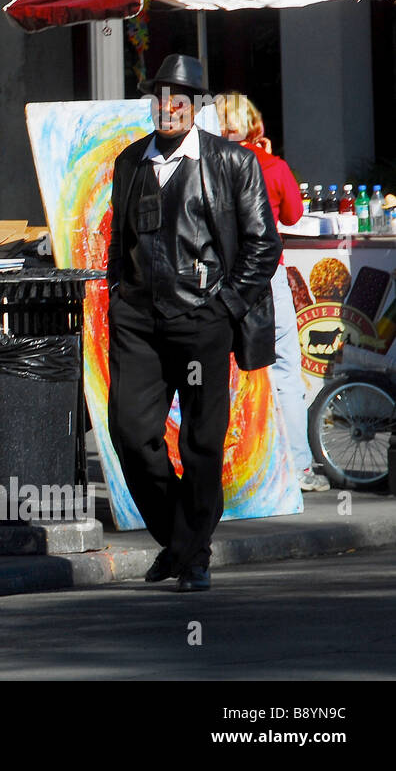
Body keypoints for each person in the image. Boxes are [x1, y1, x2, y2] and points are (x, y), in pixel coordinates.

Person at [106, 53, 282, 591]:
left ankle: (193, 552)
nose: (168, 107)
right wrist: (118, 297)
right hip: (138, 321)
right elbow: (122, 244)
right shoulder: (130, 161)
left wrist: (224, 309)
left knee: (201, 445)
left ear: (198, 106)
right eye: (159, 97)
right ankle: (181, 542)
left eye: (180, 98)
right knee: (131, 434)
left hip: (203, 321)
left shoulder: (233, 162)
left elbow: (263, 245)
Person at [217, 93, 327, 492]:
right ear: (253, 124)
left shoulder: (205, 165)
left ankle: (231, 467)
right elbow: (295, 214)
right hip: (267, 275)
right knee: (283, 371)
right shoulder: (271, 166)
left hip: (219, 278)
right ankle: (298, 466)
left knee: (221, 370)